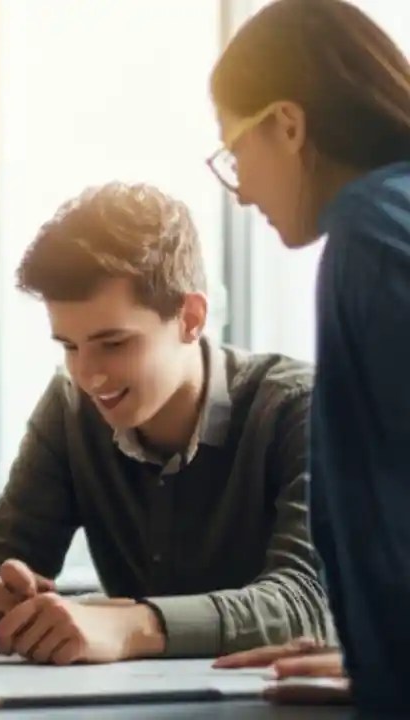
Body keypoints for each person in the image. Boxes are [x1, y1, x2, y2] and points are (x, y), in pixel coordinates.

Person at [0, 182, 331, 664]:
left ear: (191, 318)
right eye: (69, 346)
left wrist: (133, 627)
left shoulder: (300, 409)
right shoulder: (69, 407)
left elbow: (307, 602)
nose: (88, 375)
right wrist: (5, 601)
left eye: (114, 343)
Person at [201, 0, 410, 710]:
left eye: (235, 152)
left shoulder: (373, 232)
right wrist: (378, 646)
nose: (240, 192)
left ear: (287, 124)